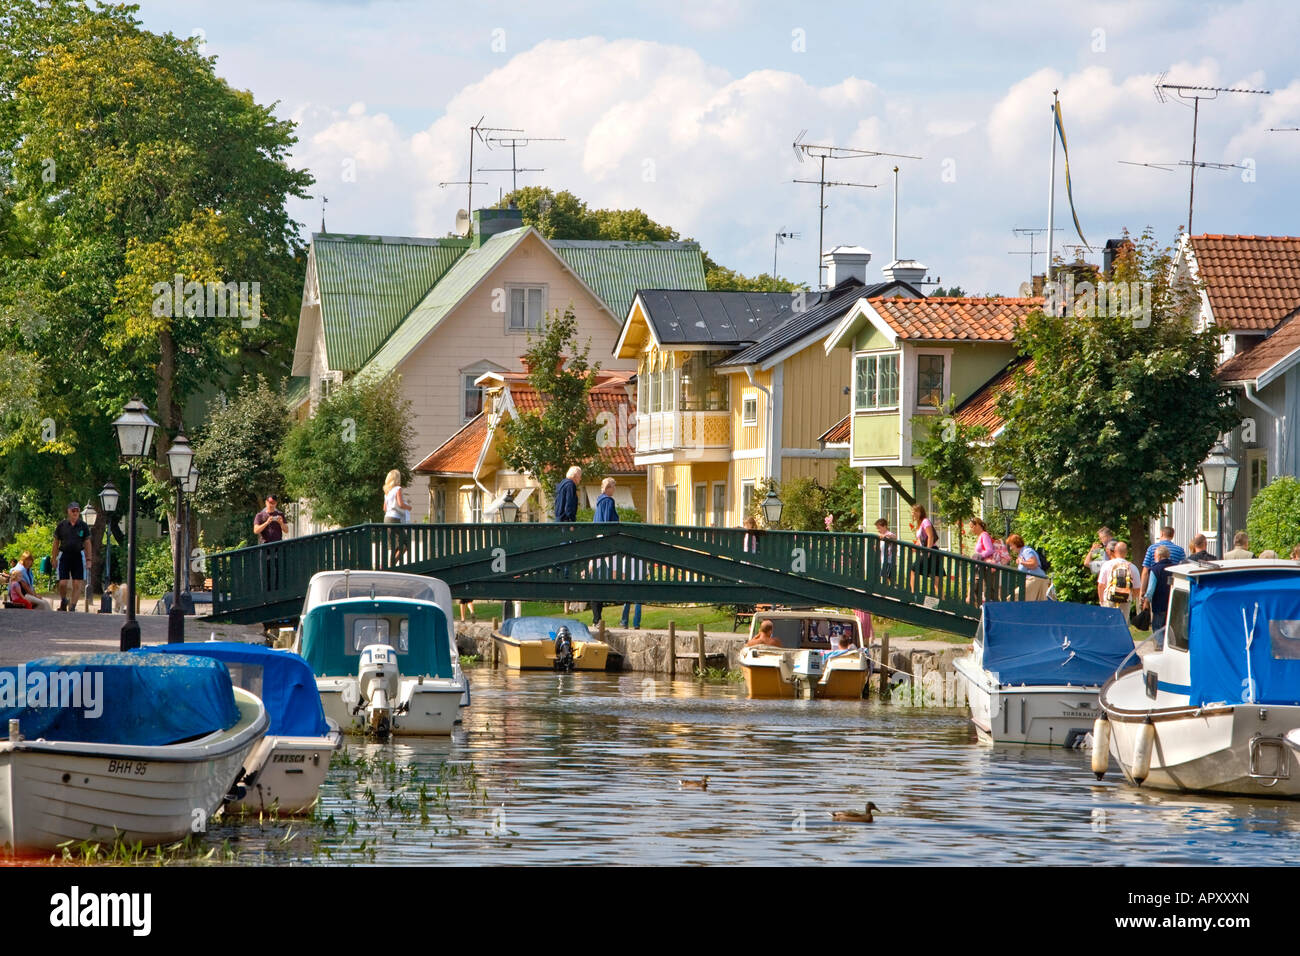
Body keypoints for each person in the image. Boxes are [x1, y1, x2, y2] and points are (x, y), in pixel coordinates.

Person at [52, 501, 91, 612]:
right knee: (62, 583)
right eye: (73, 510)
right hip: (64, 555)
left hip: (78, 555)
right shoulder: (62, 525)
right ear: (68, 512)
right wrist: (53, 558)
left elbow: (87, 543)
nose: (75, 513)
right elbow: (56, 542)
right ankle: (64, 600)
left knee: (77, 583)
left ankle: (73, 606)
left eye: (77, 510)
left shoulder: (83, 526)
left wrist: (89, 559)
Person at [591, 477, 618, 625]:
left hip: (597, 541)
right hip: (606, 543)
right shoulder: (608, 501)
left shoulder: (599, 501)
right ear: (608, 488)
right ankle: (597, 618)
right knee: (607, 575)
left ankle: (596, 618)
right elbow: (608, 521)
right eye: (613, 487)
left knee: (597, 577)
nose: (614, 490)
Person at [1098, 541, 1141, 618]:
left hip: (1109, 599)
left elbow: (1101, 585)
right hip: (1125, 600)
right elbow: (1137, 589)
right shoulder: (1132, 567)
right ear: (1126, 552)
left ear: (1114, 551)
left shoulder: (1107, 565)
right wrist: (1131, 597)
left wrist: (1102, 602)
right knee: (1122, 624)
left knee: (1108, 624)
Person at [253, 494, 288, 590]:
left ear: (276, 503)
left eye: (273, 503)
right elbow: (256, 530)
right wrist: (267, 522)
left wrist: (280, 522)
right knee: (265, 573)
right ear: (266, 502)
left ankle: (277, 593)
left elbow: (286, 530)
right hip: (265, 548)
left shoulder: (280, 514)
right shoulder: (260, 515)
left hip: (277, 547)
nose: (271, 505)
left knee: (278, 572)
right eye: (270, 503)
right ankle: (265, 594)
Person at [1141, 527, 1186, 594]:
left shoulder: (1152, 548)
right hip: (1172, 586)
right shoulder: (1180, 550)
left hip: (1155, 585)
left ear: (1161, 533)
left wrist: (1142, 591)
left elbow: (1145, 572)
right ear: (1172, 536)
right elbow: (1183, 570)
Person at [1142, 545, 1177, 631]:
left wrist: (1146, 601)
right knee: (1170, 630)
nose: (1154, 557)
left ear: (1159, 556)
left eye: (1154, 555)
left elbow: (1151, 589)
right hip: (1173, 604)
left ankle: (1160, 645)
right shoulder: (1175, 568)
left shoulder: (1155, 569)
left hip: (1159, 604)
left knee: (1158, 629)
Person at [909, 504, 939, 592]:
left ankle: (913, 594)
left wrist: (928, 551)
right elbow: (920, 541)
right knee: (934, 578)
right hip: (927, 551)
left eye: (915, 511)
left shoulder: (925, 521)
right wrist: (914, 548)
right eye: (912, 511)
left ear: (920, 512)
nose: (913, 513)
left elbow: (931, 536)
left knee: (914, 570)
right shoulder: (919, 525)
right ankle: (942, 601)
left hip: (931, 551)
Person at [382, 469, 410, 565]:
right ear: (397, 478)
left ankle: (389, 564)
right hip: (395, 518)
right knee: (405, 543)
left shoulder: (387, 491)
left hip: (387, 518)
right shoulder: (398, 489)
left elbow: (384, 508)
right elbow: (400, 504)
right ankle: (392, 564)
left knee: (394, 544)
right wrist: (408, 507)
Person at [875, 517, 898, 583]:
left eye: (879, 528)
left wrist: (885, 536)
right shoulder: (881, 536)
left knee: (888, 577)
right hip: (884, 559)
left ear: (884, 526)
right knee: (885, 576)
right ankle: (888, 589)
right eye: (877, 528)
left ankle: (892, 589)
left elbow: (894, 537)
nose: (878, 530)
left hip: (890, 560)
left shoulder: (889, 534)